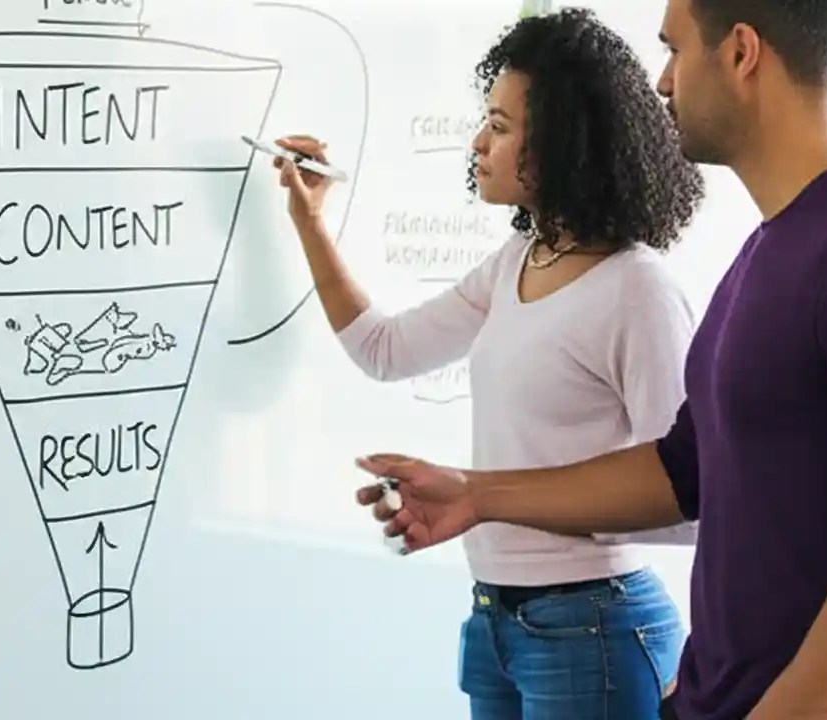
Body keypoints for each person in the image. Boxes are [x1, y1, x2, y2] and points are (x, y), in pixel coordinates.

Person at [356, 0, 827, 717]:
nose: (660, 81)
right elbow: (684, 470)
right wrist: (477, 494)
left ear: (741, 52)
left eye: (675, 51)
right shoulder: (767, 253)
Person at [271, 8, 705, 718]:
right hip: (496, 623)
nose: (477, 142)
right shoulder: (517, 263)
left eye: (500, 127)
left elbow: (688, 504)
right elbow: (384, 350)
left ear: (562, 143)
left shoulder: (638, 290)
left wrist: (487, 495)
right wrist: (311, 222)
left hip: (592, 624)